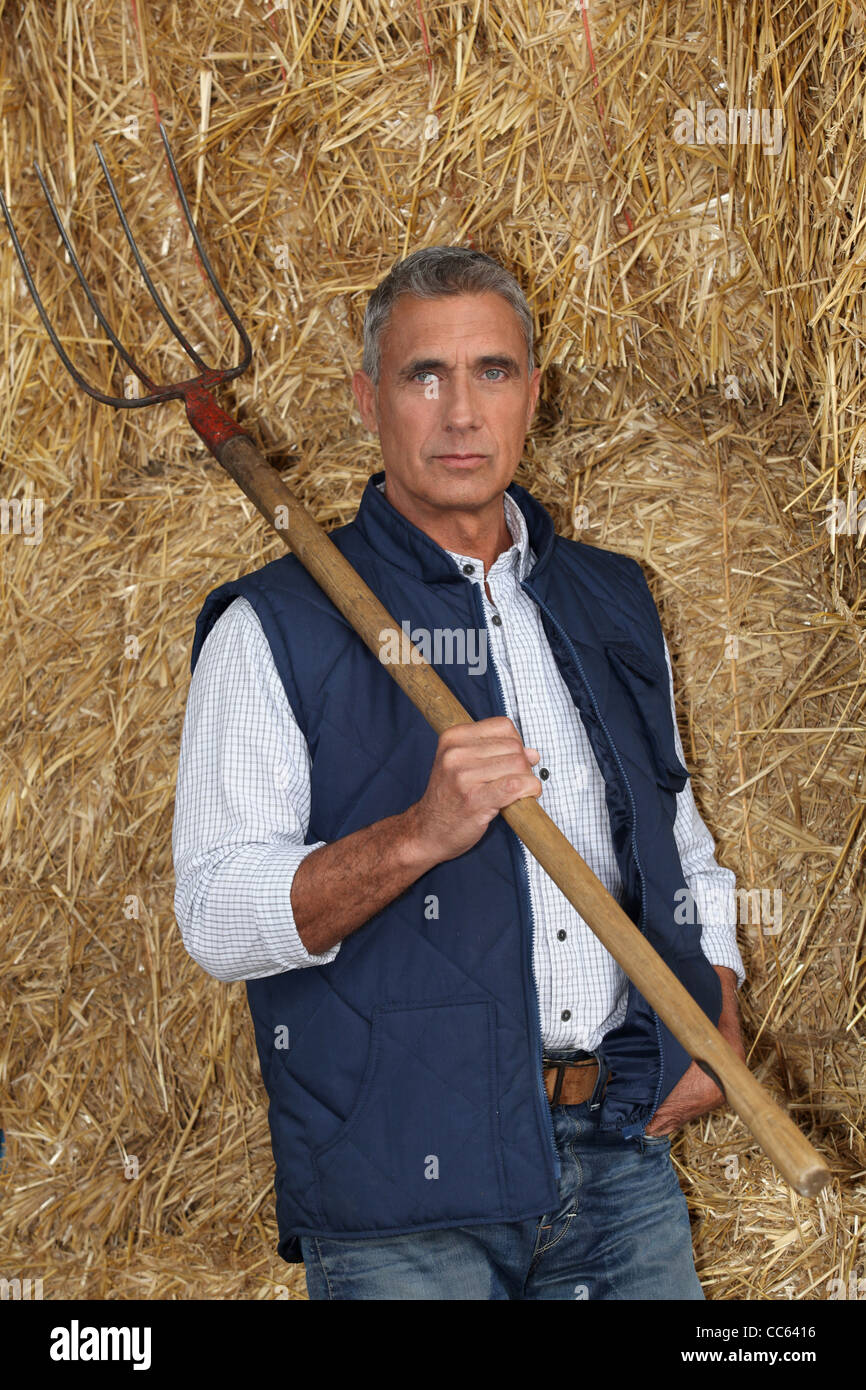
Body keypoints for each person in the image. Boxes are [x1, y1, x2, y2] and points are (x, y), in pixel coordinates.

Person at [172, 246, 746, 1300]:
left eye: (490, 371)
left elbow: (680, 839)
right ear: (365, 401)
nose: (460, 413)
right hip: (402, 1194)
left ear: (535, 391)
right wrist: (418, 834)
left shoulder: (609, 598)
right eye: (421, 375)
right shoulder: (273, 625)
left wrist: (713, 1006)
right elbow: (215, 915)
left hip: (620, 1160)